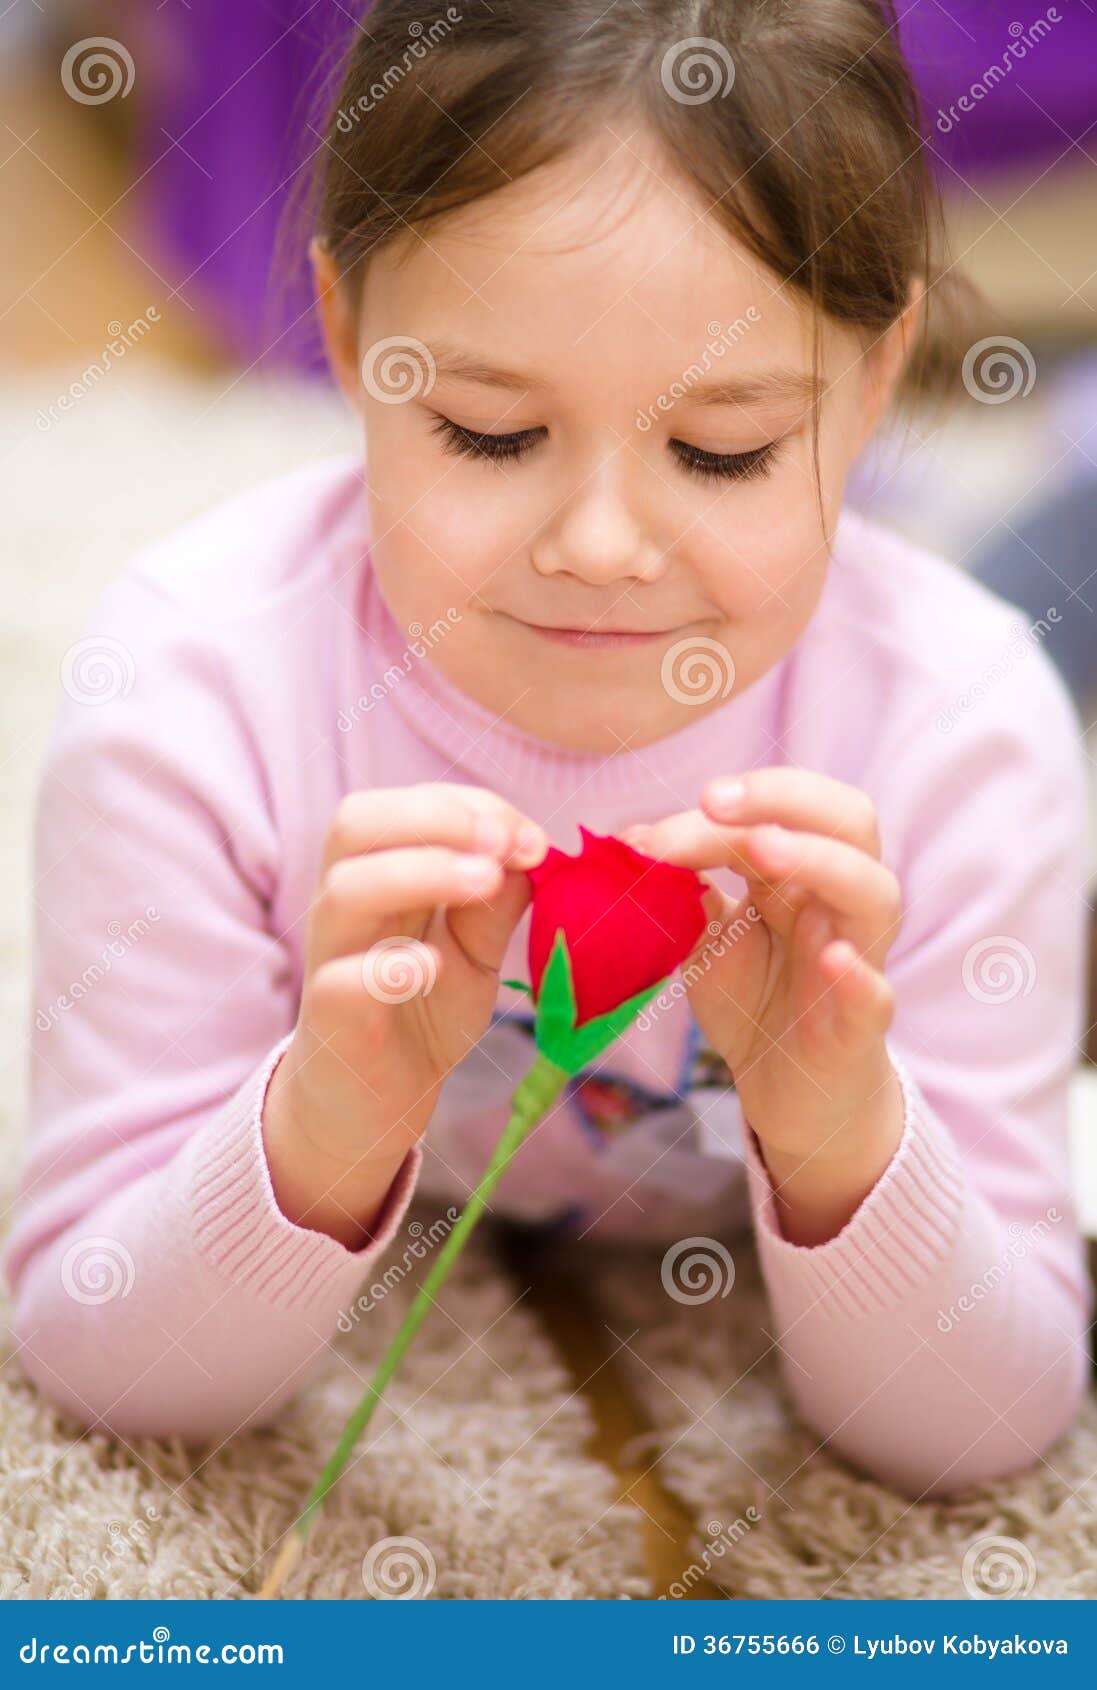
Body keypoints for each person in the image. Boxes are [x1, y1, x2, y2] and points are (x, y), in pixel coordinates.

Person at [5, 0, 1091, 1501]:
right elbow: (100, 1358)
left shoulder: (958, 732)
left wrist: (842, 1135)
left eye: (722, 449)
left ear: (878, 370)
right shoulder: (192, 687)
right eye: (486, 430)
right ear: (344, 337)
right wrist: (319, 1125)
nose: (596, 547)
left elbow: (981, 1423)